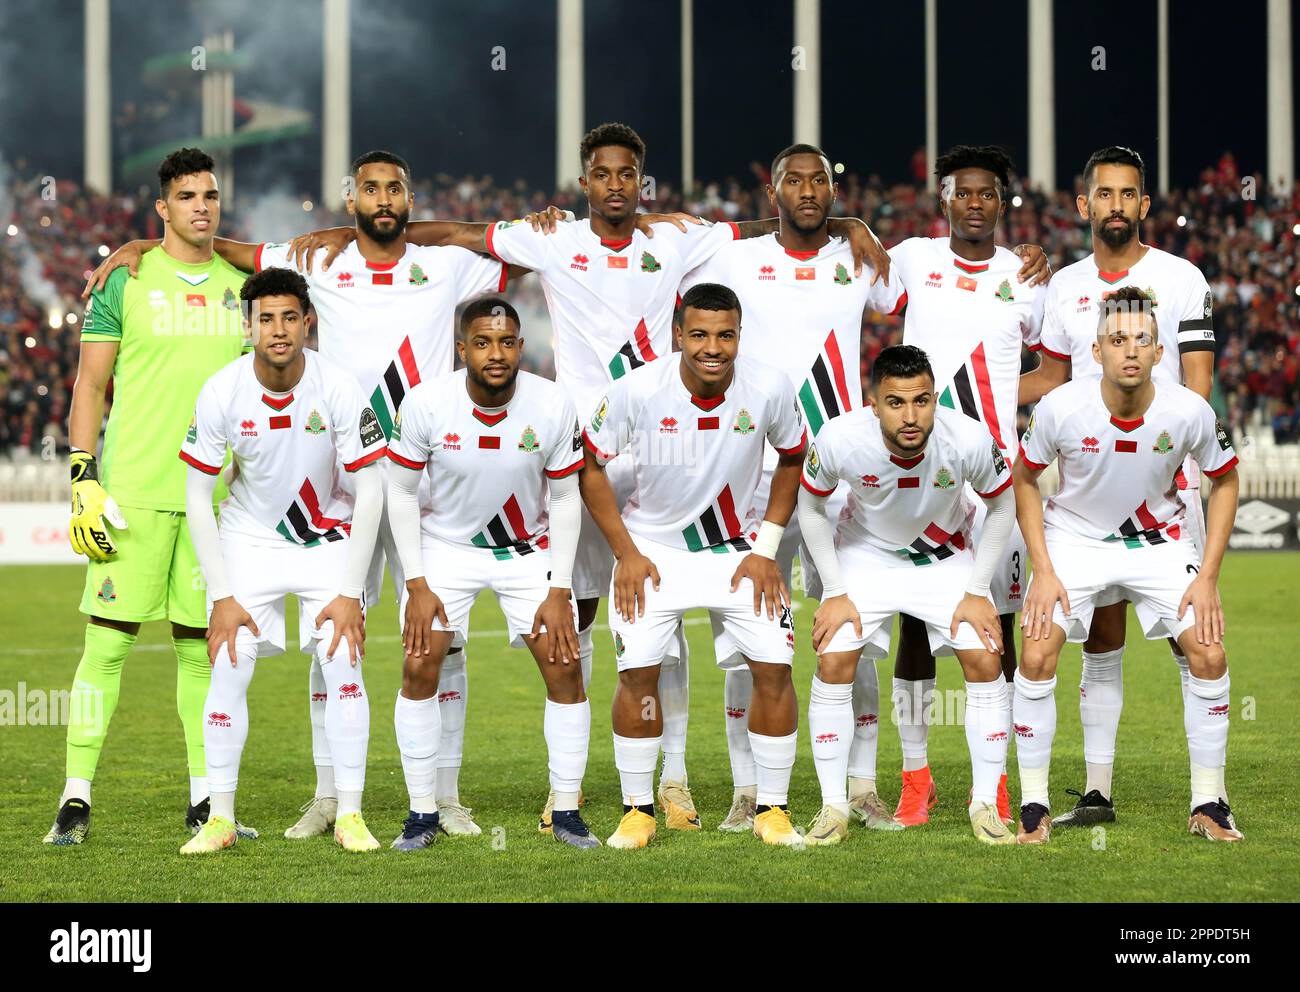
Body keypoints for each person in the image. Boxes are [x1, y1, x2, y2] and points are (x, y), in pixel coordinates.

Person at [298, 123, 892, 834]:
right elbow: (460, 232)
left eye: (628, 174)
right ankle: (570, 788)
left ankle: (673, 782)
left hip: (669, 453)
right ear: (584, 182)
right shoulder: (553, 238)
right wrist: (355, 230)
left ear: (641, 181)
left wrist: (847, 219)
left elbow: (772, 223)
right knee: (579, 623)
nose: (615, 184)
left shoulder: (678, 239)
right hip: (584, 459)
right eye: (602, 173)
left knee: (664, 621)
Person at [84, 150, 513, 838]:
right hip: (340, 493)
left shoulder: (449, 265)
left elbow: (508, 248)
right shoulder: (315, 263)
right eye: (369, 189)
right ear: (349, 201)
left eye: (394, 190)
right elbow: (226, 246)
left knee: (437, 642)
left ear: (410, 197)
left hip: (425, 485)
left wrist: (423, 228)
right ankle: (327, 797)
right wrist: (148, 241)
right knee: (334, 645)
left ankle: (444, 796)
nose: (382, 199)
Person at [679, 141, 1049, 831]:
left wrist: (852, 229)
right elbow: (669, 255)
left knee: (855, 631)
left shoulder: (867, 257)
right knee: (746, 636)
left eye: (821, 182)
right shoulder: (737, 256)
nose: (810, 191)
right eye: (795, 181)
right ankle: (746, 787)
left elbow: (906, 279)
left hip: (841, 473)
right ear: (773, 192)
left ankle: (862, 784)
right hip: (751, 471)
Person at [45, 148, 253, 846]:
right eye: (188, 196)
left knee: (202, 651)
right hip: (131, 492)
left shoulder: (243, 286)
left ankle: (205, 801)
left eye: (212, 195)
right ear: (162, 208)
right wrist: (84, 477)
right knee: (106, 646)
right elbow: (89, 386)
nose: (203, 206)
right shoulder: (125, 282)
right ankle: (75, 799)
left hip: (216, 500)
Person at [1019, 146, 1217, 828]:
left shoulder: (1182, 278)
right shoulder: (1063, 286)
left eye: (1128, 194)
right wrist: (979, 395)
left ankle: (1208, 797)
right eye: (1103, 194)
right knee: (1099, 636)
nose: (1115, 205)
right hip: (1082, 490)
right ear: (1084, 205)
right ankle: (1096, 794)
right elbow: (1048, 380)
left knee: (1189, 642)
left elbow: (1198, 386)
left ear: (1143, 204)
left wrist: (1171, 461)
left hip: (1162, 486)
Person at [580, 283, 807, 849]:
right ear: (678, 334)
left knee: (775, 668)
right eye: (699, 334)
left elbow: (794, 456)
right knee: (637, 675)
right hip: (654, 553)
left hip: (739, 552)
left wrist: (768, 547)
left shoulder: (771, 388)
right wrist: (626, 553)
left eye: (725, 335)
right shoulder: (636, 390)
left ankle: (772, 810)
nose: (713, 347)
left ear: (739, 337)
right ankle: (637, 810)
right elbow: (589, 466)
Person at [1012, 287, 1241, 844]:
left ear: (1160, 352)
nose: (1130, 350)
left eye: (1142, 339)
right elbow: (1022, 478)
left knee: (1209, 653)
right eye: (1118, 339)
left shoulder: (1188, 410)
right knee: (1038, 650)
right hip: (1075, 540)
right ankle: (1033, 806)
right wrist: (1043, 569)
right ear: (1098, 350)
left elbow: (1227, 478)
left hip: (1157, 543)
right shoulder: (1062, 406)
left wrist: (1207, 577)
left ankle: (1210, 803)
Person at [178, 267, 386, 854]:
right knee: (229, 662)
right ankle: (219, 818)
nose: (278, 330)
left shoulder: (339, 386)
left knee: (344, 663)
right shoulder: (222, 389)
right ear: (248, 326)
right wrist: (220, 596)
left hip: (325, 540)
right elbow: (197, 493)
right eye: (266, 318)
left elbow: (371, 487)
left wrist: (351, 591)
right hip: (250, 540)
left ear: (307, 322)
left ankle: (349, 814)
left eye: (289, 317)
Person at [876, 145, 1048, 828]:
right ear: (943, 198)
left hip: (994, 485)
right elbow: (848, 275)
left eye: (987, 193)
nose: (975, 203)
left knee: (994, 635)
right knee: (915, 631)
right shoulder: (914, 258)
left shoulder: (1027, 277)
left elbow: (1056, 371)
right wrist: (859, 229)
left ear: (1003, 201)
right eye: (962, 192)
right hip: (919, 477)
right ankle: (916, 779)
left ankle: (994, 782)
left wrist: (999, 401)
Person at [385, 297, 593, 850]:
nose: (495, 354)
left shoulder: (551, 404)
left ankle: (567, 812)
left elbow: (568, 500)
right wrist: (416, 583)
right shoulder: (427, 403)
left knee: (565, 668)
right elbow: (401, 493)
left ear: (521, 347)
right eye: (482, 342)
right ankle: (422, 814)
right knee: (419, 665)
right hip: (445, 549)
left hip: (525, 551)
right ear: (462, 349)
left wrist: (559, 588)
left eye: (506, 343)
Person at [798, 344, 1017, 845]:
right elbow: (810, 508)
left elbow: (1002, 507)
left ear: (934, 398)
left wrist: (978, 591)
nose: (910, 415)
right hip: (867, 556)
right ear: (873, 402)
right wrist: (834, 592)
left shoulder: (967, 439)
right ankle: (834, 808)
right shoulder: (839, 439)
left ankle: (986, 804)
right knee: (834, 658)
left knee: (985, 657)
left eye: (921, 400)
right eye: (895, 402)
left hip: (941, 559)